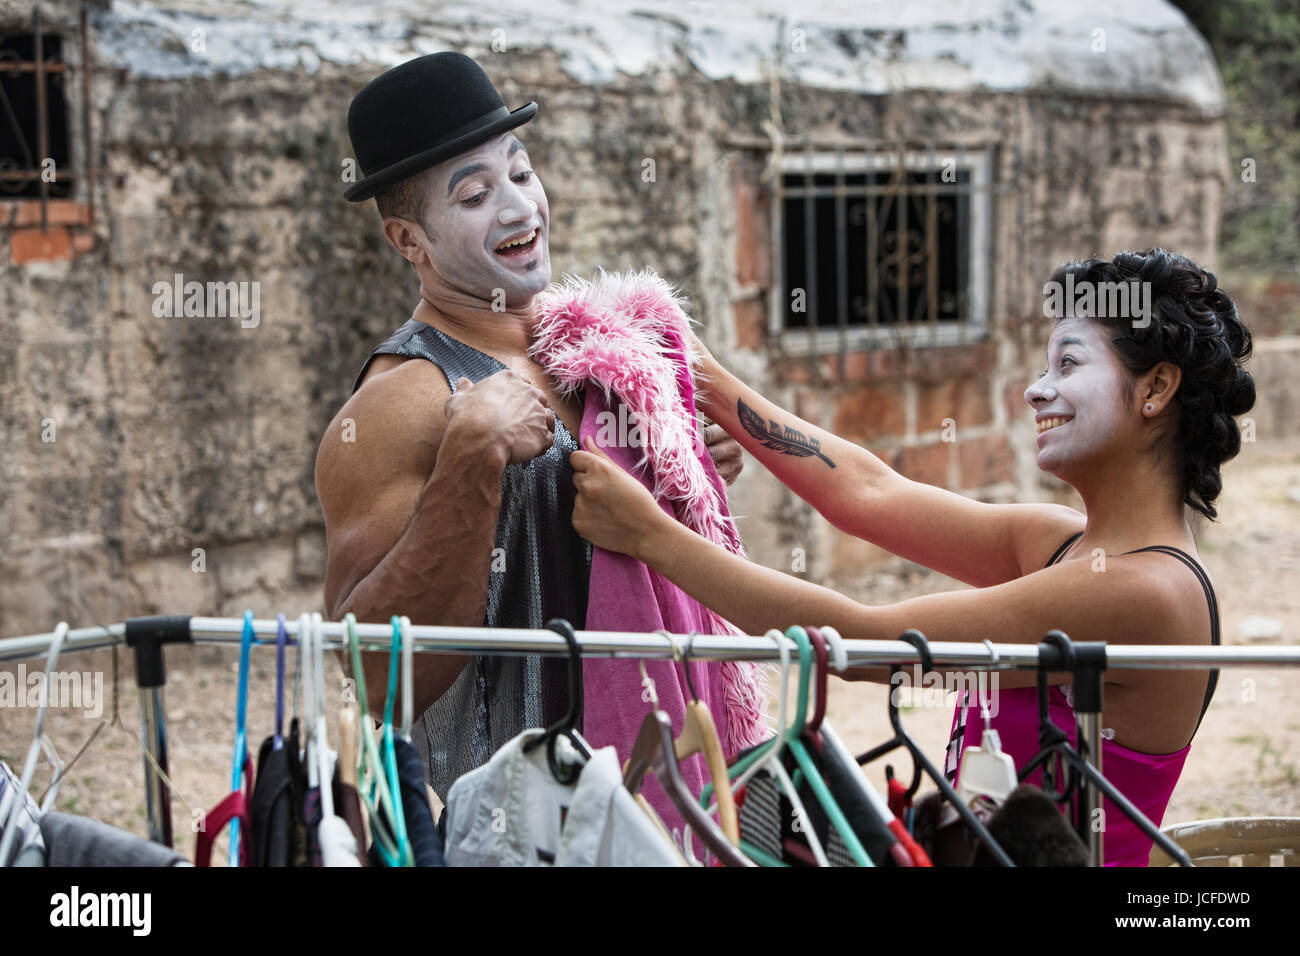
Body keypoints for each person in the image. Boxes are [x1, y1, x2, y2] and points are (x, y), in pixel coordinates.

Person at [570, 247, 1255, 864]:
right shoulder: (1063, 545)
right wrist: (707, 382)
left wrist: (651, 537)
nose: (1035, 390)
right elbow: (869, 494)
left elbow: (865, 642)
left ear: (1156, 390)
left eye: (1068, 364)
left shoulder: (1147, 593)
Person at [314, 52, 743, 801]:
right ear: (408, 240)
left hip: (667, 788)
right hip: (517, 824)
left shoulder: (589, 346)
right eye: (476, 194)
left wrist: (678, 462)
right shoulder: (403, 400)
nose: (518, 208)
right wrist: (469, 460)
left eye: (520, 172)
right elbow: (378, 677)